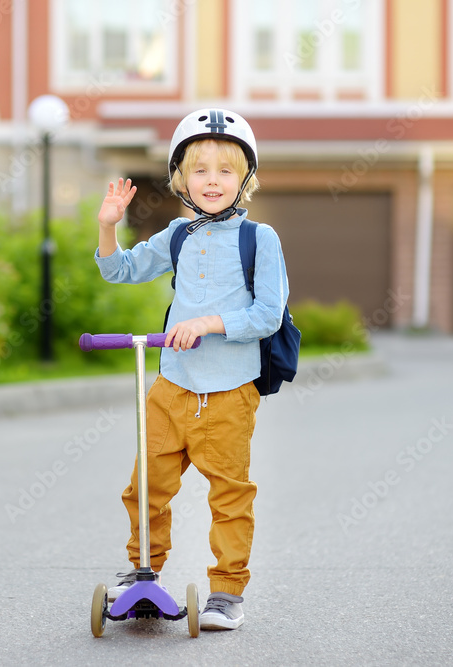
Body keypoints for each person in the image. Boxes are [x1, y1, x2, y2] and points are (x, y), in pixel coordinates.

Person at [93, 109, 289, 630]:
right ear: (181, 178)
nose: (212, 181)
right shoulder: (179, 234)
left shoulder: (260, 239)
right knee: (146, 488)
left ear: (245, 178)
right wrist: (108, 228)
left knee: (229, 496)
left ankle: (227, 593)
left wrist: (208, 323)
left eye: (226, 170)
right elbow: (121, 270)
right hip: (171, 388)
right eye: (200, 170)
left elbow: (268, 315)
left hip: (228, 393)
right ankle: (143, 574)